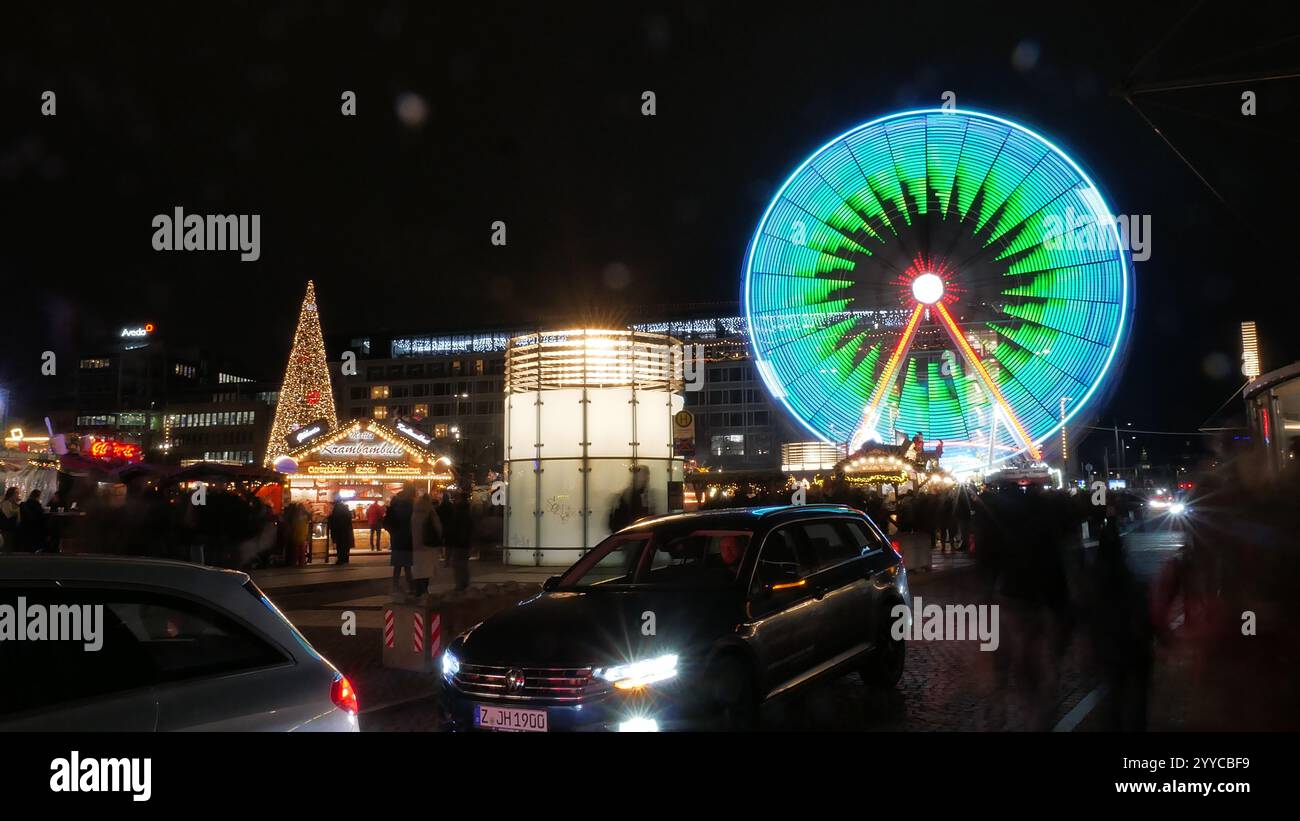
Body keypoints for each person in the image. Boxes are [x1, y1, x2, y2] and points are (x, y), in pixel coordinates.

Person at [385, 485, 417, 594]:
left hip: (397, 538)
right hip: (407, 538)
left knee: (398, 565)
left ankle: (395, 586)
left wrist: (393, 532)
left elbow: (387, 522)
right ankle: (411, 587)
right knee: (407, 565)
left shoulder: (394, 505)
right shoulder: (410, 506)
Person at [411, 489, 443, 595]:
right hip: (429, 547)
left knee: (418, 571)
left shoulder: (414, 514)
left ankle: (418, 591)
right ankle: (424, 591)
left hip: (416, 547)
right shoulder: (430, 513)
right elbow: (438, 529)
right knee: (427, 571)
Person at [447, 491, 473, 592]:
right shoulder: (467, 513)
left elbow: (453, 527)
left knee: (458, 564)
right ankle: (464, 583)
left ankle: (460, 584)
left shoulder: (457, 512)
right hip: (465, 541)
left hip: (458, 541)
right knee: (463, 564)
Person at [327, 496, 354, 564]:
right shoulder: (345, 508)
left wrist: (329, 518)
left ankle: (341, 559)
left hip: (340, 531)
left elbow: (334, 520)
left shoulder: (336, 509)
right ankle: (345, 559)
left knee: (340, 546)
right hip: (346, 530)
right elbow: (349, 518)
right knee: (345, 546)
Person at [0, 487, 20, 552]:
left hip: (12, 529)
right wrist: (18, 510)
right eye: (16, 493)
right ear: (11, 494)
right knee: (6, 547)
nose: (18, 494)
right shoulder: (6, 503)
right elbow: (8, 515)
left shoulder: (14, 503)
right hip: (6, 529)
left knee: (10, 547)